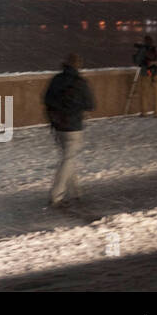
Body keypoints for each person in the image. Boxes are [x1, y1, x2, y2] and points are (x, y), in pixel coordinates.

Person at [43, 53, 95, 208]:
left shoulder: (56, 80)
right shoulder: (80, 82)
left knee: (68, 157)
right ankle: (56, 195)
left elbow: (46, 99)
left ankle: (75, 191)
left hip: (58, 126)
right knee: (68, 159)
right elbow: (91, 104)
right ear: (78, 65)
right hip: (73, 127)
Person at [133, 35, 157, 117]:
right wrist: (155, 63)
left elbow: (137, 61)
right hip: (156, 72)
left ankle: (144, 111)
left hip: (147, 72)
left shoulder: (143, 50)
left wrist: (136, 53)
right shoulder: (156, 49)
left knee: (144, 93)